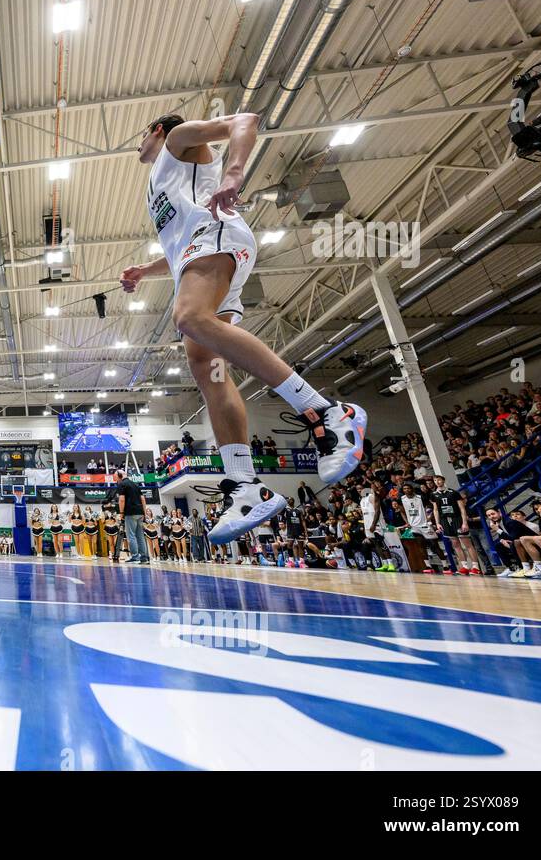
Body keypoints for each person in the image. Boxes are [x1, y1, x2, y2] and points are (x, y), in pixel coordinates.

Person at [122, 112, 366, 544]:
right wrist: (147, 269)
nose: (138, 145)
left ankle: (328, 413)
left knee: (190, 318)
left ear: (156, 130)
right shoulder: (160, 186)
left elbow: (244, 120)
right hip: (196, 255)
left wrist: (233, 174)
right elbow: (179, 244)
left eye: (141, 135)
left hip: (216, 240)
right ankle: (245, 485)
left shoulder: (178, 140)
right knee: (206, 368)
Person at [112, 469, 148, 564]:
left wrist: (121, 513)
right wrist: (144, 513)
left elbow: (122, 500)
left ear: (120, 476)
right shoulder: (135, 484)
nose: (116, 480)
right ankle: (144, 557)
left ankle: (135, 557)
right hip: (140, 512)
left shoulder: (122, 484)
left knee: (131, 536)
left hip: (130, 512)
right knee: (140, 536)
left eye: (116, 477)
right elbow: (143, 499)